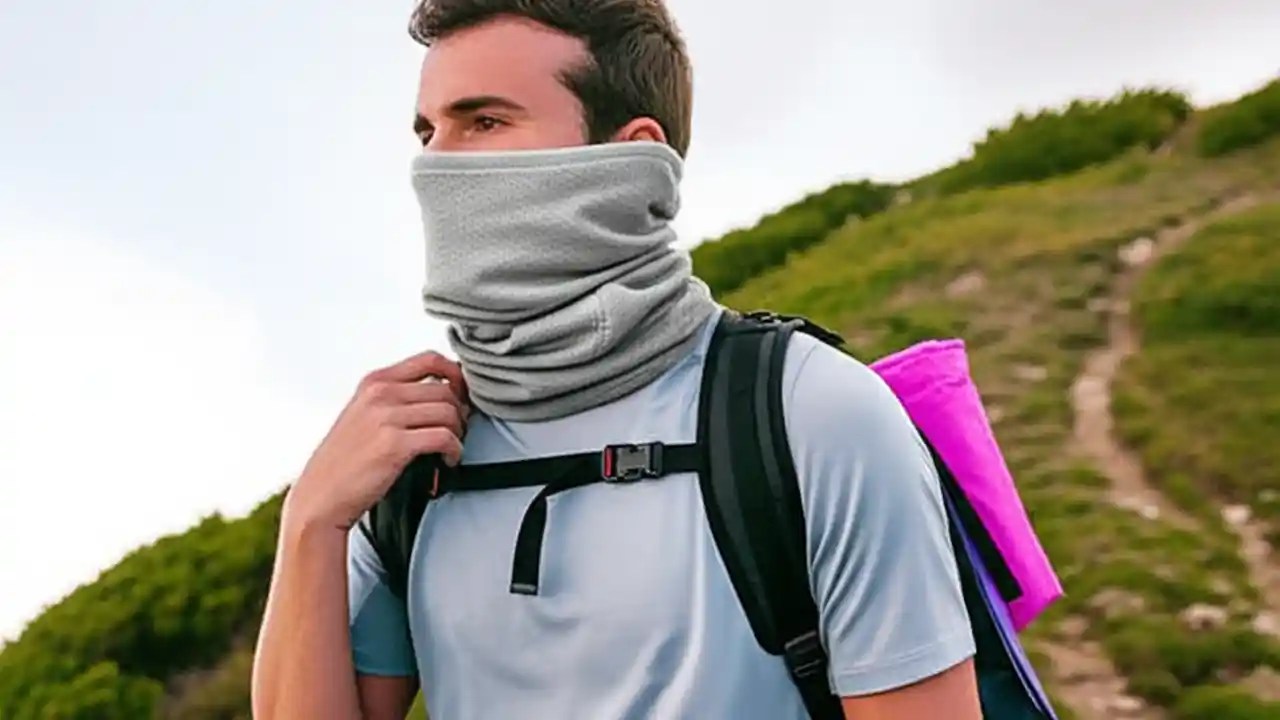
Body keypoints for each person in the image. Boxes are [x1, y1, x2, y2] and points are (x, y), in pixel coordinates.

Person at [251, 1, 984, 718]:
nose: (435, 164)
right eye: (427, 132)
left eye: (484, 121)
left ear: (629, 155)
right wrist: (311, 522)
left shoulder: (812, 413)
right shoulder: (412, 459)